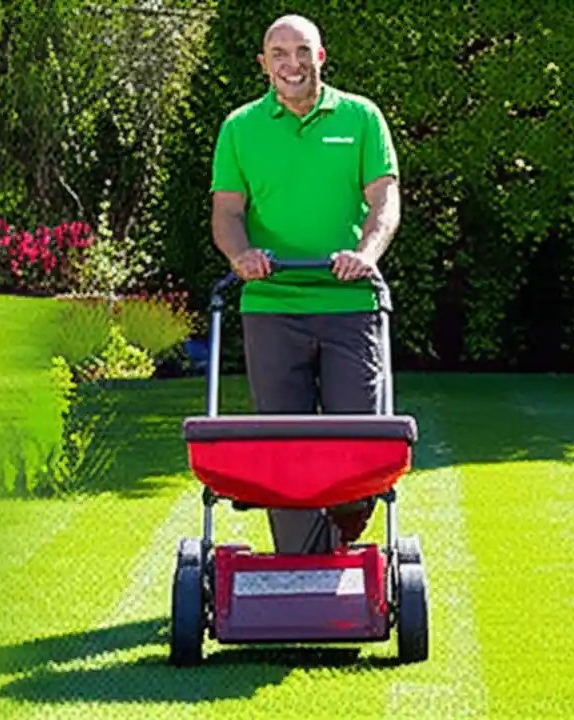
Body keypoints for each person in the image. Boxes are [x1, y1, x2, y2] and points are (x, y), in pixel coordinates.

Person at [209, 14, 402, 553]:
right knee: (283, 444)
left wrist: (365, 255)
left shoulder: (361, 118)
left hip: (349, 303)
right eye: (279, 53)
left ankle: (345, 524)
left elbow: (385, 201)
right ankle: (300, 566)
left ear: (320, 57)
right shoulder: (240, 127)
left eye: (302, 51)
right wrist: (241, 255)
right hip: (272, 305)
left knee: (359, 440)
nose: (291, 63)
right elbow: (227, 212)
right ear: (263, 64)